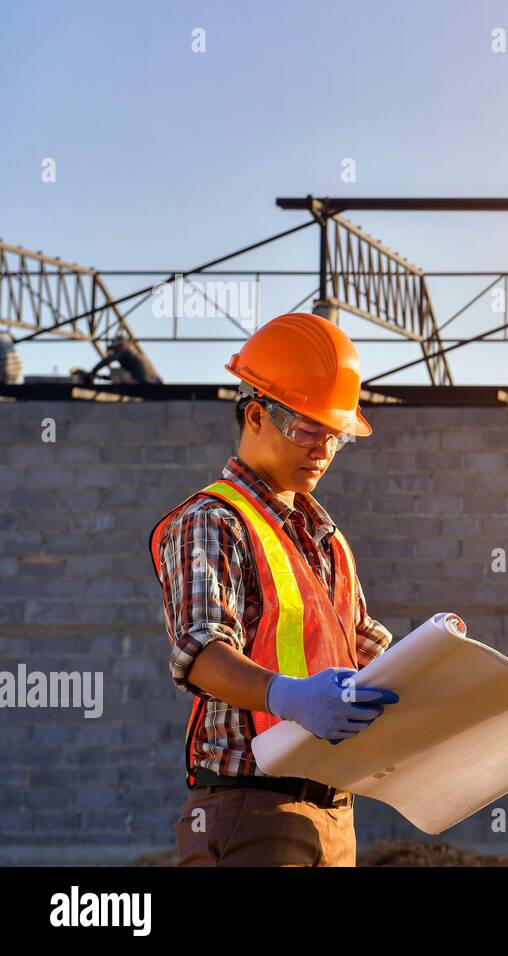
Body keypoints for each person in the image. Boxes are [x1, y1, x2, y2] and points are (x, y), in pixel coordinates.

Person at [149, 312, 399, 866]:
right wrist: (291, 697)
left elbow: (362, 651)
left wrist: (446, 670)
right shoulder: (214, 521)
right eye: (308, 430)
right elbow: (200, 654)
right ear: (257, 415)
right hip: (252, 811)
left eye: (335, 436)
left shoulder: (325, 538)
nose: (323, 450)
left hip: (334, 811)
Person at [83, 334, 163, 384]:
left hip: (143, 382)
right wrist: (102, 377)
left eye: (114, 348)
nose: (113, 351)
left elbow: (108, 360)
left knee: (114, 371)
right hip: (154, 382)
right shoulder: (133, 352)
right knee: (117, 371)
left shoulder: (123, 348)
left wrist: (93, 371)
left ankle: (119, 392)